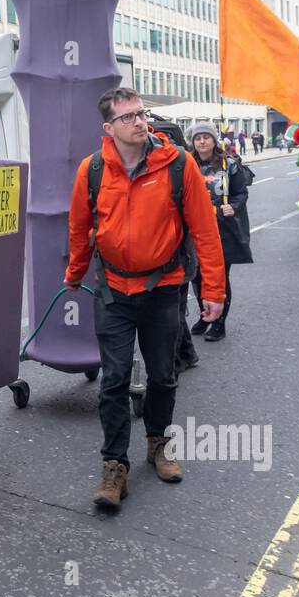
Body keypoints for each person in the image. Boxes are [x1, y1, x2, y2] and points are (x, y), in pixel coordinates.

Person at [63, 88, 225, 510]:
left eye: (141, 114)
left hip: (164, 288)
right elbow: (80, 228)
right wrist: (75, 275)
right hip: (113, 290)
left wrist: (213, 291)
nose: (139, 122)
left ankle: (158, 444)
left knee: (163, 375)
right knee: (113, 379)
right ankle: (114, 465)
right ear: (108, 127)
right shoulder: (92, 170)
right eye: (129, 117)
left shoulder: (178, 165)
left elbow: (205, 231)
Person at [186, 124, 251, 342]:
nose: (202, 142)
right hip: (194, 230)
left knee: (219, 277)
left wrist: (233, 206)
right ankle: (206, 315)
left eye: (206, 137)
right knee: (196, 276)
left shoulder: (228, 164)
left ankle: (219, 322)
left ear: (215, 141)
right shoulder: (187, 164)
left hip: (222, 229)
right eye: (198, 138)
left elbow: (241, 193)